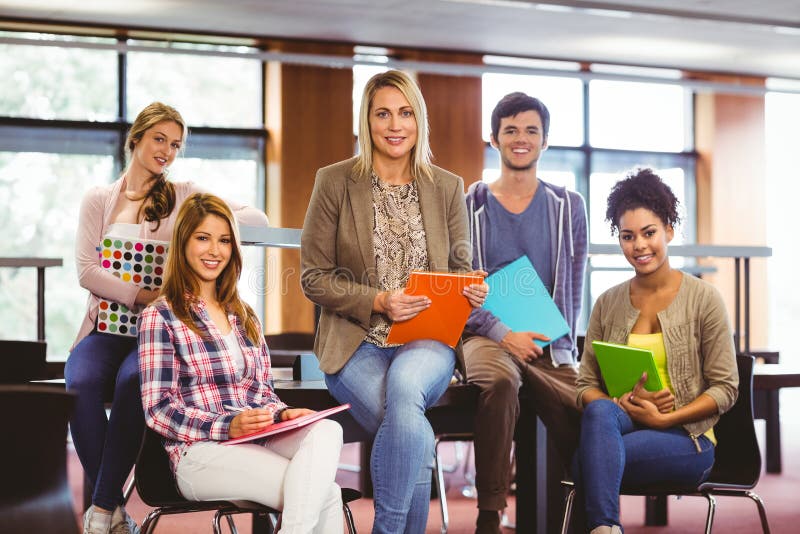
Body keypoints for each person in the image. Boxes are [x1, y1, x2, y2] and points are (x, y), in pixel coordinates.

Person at [65, 102, 268, 534]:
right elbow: (86, 270)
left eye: (175, 145)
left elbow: (257, 218)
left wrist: (212, 224)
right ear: (135, 138)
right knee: (79, 384)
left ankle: (100, 511)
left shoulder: (182, 194)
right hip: (106, 330)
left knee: (133, 383)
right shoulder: (99, 199)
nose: (167, 151)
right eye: (159, 140)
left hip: (156, 334)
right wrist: (143, 295)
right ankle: (111, 507)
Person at [300, 69, 488, 533]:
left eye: (405, 113)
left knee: (406, 390)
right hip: (355, 342)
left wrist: (471, 289)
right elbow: (313, 278)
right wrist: (379, 301)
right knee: (411, 431)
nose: (395, 124)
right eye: (382, 113)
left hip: (426, 339)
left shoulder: (446, 186)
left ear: (419, 120)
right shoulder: (334, 181)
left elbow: (461, 267)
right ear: (366, 120)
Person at [139, 193, 344, 533]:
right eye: (203, 238)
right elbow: (158, 410)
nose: (214, 250)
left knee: (328, 429)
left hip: (255, 440)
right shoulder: (160, 316)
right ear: (183, 243)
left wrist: (281, 414)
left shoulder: (243, 315)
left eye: (224, 241)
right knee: (326, 495)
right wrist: (227, 426)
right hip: (198, 453)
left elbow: (262, 392)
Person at [573, 168, 739, 534]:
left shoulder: (704, 299)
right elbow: (584, 386)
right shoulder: (607, 303)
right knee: (599, 411)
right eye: (628, 236)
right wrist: (620, 403)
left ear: (669, 230)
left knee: (588, 460)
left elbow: (726, 388)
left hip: (688, 438)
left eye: (649, 233)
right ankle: (606, 529)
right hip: (621, 425)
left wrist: (666, 419)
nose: (639, 246)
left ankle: (602, 526)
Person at [462, 92, 588, 533]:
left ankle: (588, 513)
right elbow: (462, 288)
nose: (521, 139)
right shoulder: (471, 204)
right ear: (494, 139)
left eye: (531, 131)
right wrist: (503, 335)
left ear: (545, 140)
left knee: (589, 405)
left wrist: (563, 349)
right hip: (486, 334)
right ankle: (490, 513)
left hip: (546, 340)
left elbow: (572, 286)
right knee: (500, 382)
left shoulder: (568, 206)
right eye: (511, 130)